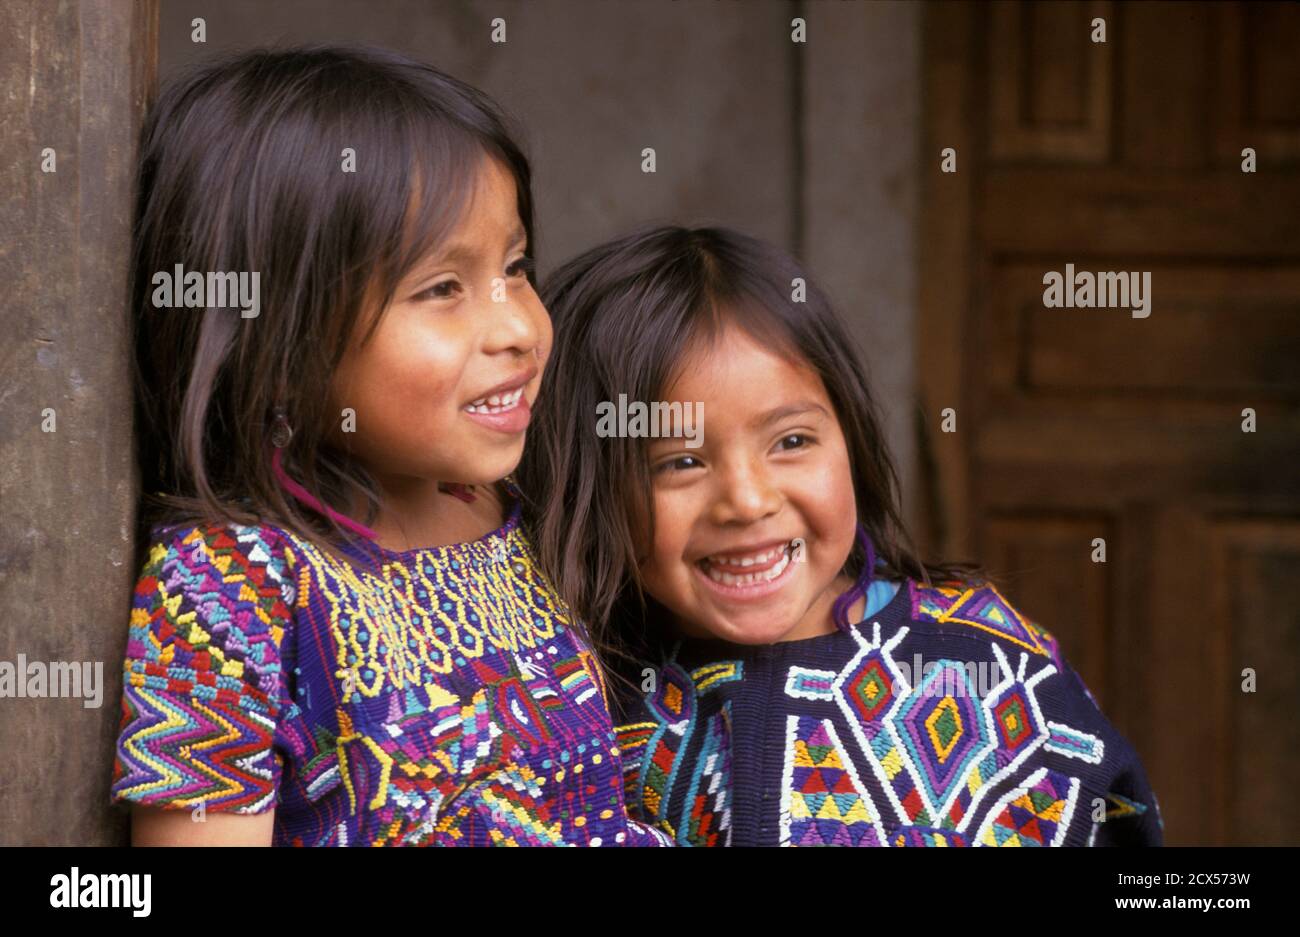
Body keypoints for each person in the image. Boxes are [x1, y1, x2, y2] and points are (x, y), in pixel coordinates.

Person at [108, 44, 671, 847]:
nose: (518, 327)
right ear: (277, 345)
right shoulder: (229, 590)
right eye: (442, 288)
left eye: (515, 267)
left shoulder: (525, 507)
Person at [518, 224, 1164, 847]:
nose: (749, 501)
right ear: (588, 488)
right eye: (680, 462)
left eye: (791, 441)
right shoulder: (584, 706)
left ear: (849, 436)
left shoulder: (987, 663)